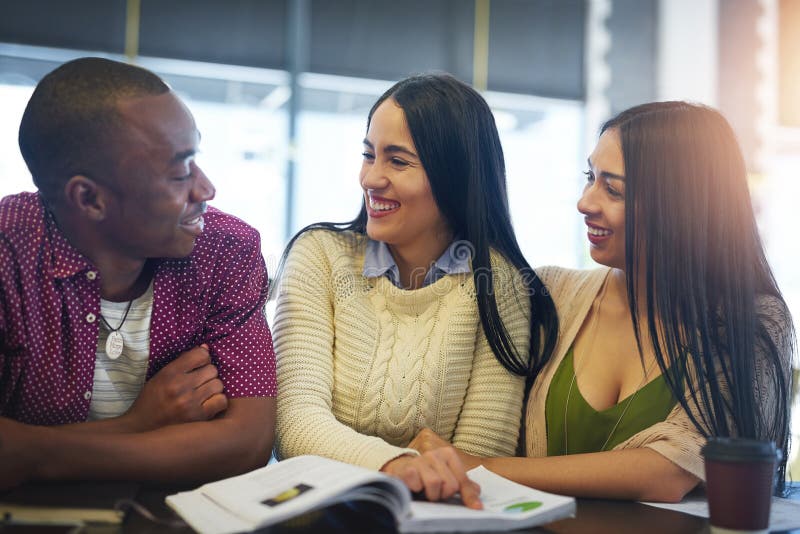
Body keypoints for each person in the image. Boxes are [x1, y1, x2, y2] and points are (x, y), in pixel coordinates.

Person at [411, 101, 794, 502]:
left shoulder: (753, 323)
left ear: (682, 205)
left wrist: (479, 466)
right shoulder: (551, 293)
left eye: (613, 189)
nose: (586, 203)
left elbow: (670, 470)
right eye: (589, 177)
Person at [273, 73, 558, 508]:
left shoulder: (500, 286)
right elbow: (295, 426)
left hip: (434, 516)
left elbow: (480, 457)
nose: (371, 178)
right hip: (320, 511)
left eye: (398, 161)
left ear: (454, 176)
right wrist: (397, 464)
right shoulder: (319, 256)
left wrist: (421, 473)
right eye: (369, 155)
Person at [0, 57, 276, 489]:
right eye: (179, 171)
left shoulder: (226, 250)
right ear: (90, 200)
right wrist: (138, 424)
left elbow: (248, 442)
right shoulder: (8, 254)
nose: (206, 189)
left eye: (196, 158)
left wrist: (33, 455)